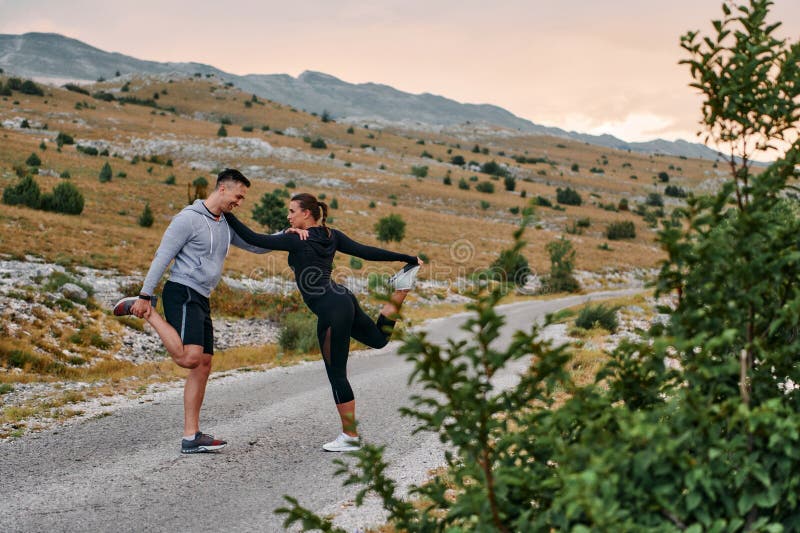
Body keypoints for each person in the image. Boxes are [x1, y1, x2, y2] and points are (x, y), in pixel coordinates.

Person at [224, 192, 423, 452]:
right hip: (343, 298)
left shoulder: (296, 241)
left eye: (292, 211)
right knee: (378, 338)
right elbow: (367, 252)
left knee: (337, 375)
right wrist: (407, 258)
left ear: (306, 213)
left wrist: (225, 211)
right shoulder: (331, 235)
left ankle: (350, 437)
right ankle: (401, 289)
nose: (289, 215)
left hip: (331, 309)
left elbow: (252, 238)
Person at [112, 168, 279, 454]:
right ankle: (148, 313)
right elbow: (162, 256)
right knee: (190, 358)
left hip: (202, 297)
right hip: (182, 291)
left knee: (203, 365)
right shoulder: (188, 219)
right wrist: (144, 295)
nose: (239, 203)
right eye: (238, 196)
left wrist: (290, 235)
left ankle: (191, 436)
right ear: (222, 189)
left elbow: (257, 245)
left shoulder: (226, 223)